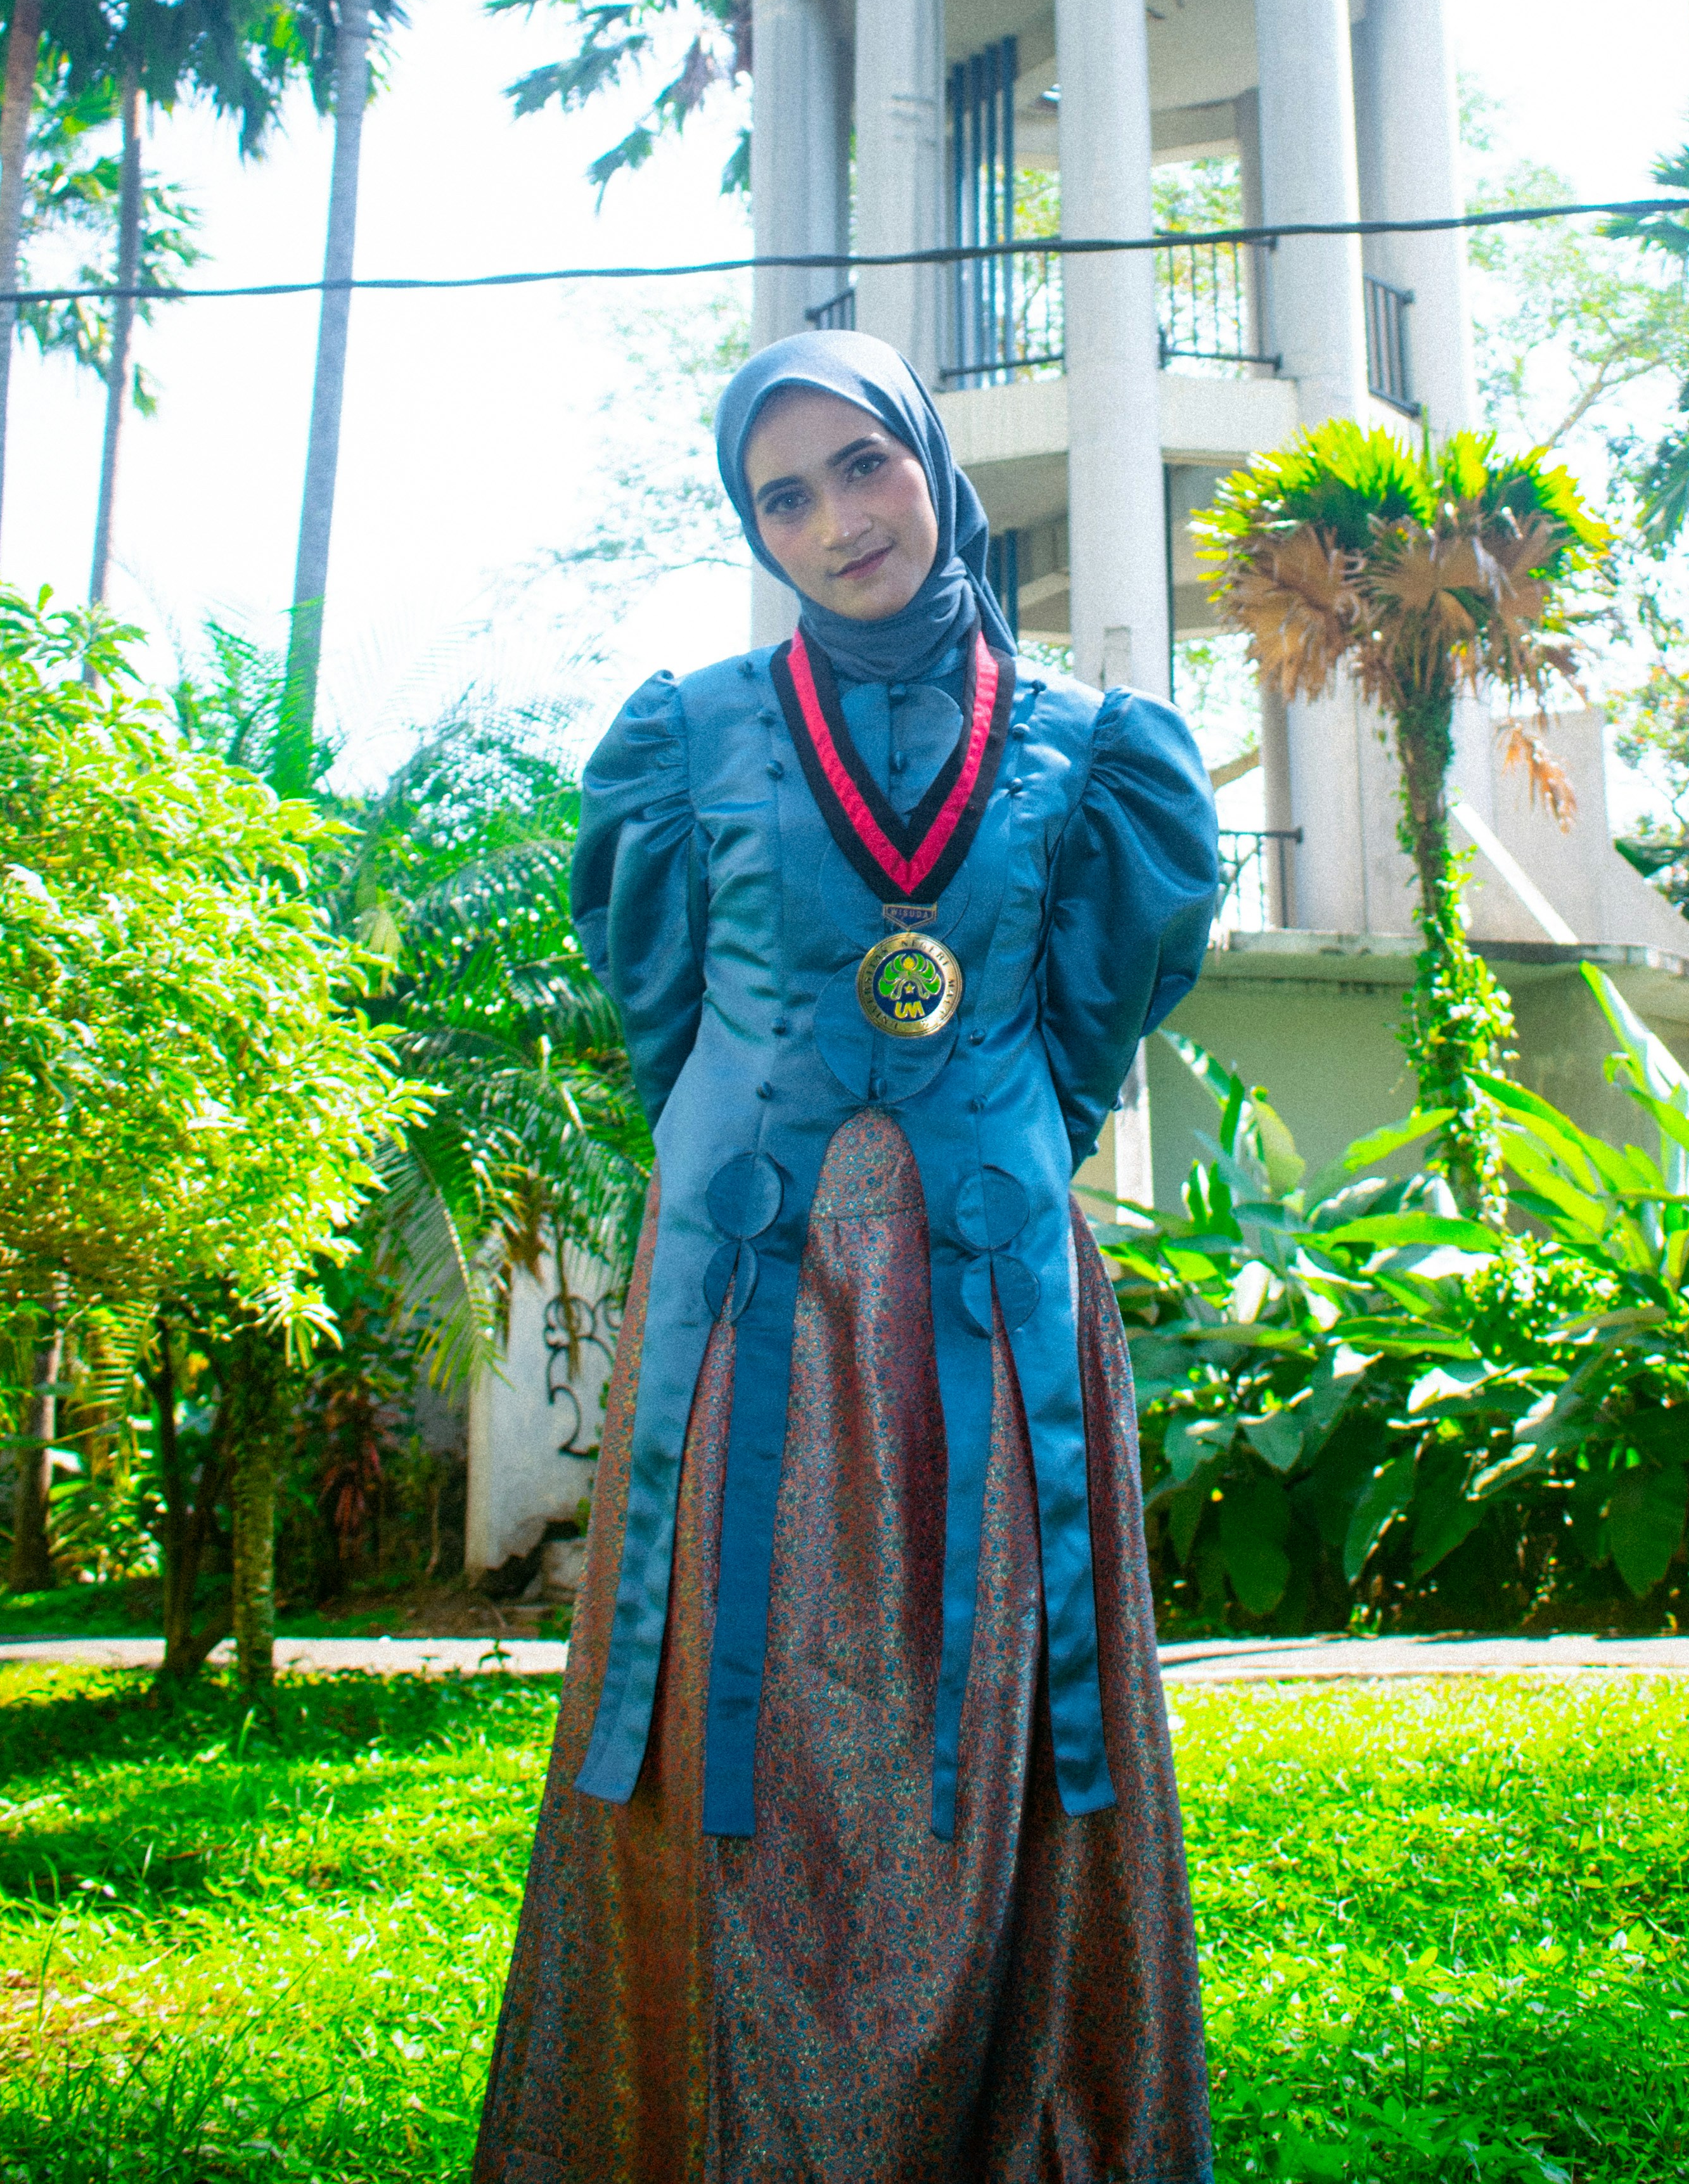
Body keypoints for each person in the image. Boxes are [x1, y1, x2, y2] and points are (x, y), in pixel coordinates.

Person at [475, 329, 1222, 2184]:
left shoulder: (1092, 750)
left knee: (1001, 1700)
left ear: (931, 462)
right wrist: (766, 1130)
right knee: (746, 1702)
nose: (835, 520)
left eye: (862, 467)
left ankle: (1014, 2114)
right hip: (753, 1306)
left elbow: (1098, 1011)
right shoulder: (687, 738)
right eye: (782, 494)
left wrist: (975, 1129)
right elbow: (666, 1012)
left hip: (989, 1304)